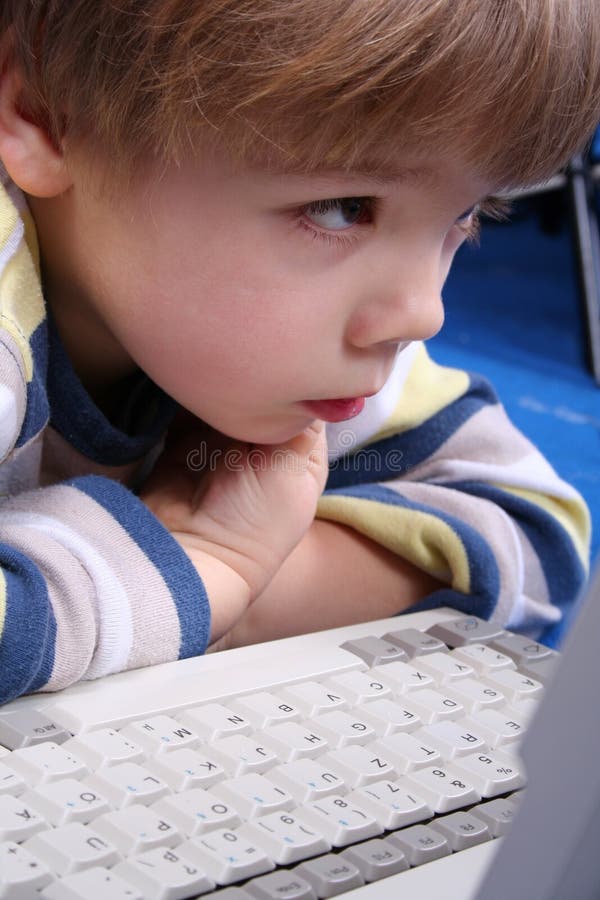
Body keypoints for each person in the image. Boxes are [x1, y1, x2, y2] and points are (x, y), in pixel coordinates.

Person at [0, 0, 596, 704]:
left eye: (464, 214)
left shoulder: (278, 346)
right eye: (343, 207)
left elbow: (538, 535)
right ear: (51, 116)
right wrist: (191, 566)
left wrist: (243, 584)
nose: (422, 313)